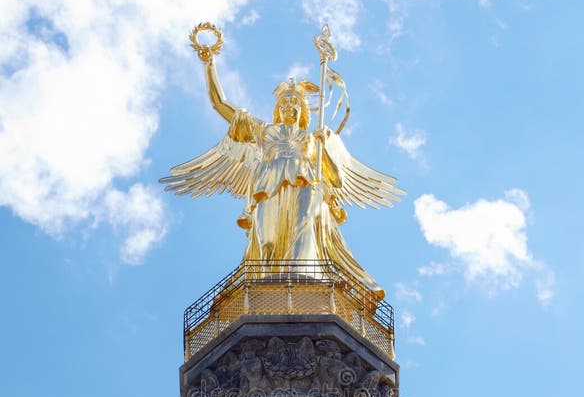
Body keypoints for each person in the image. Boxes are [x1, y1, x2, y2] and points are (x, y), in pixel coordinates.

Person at [162, 44, 403, 297]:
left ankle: (301, 282)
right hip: (268, 184)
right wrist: (209, 63)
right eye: (284, 103)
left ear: (302, 111)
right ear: (278, 110)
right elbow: (220, 105)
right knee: (267, 240)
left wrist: (323, 145)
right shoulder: (264, 131)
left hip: (306, 182)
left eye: (295, 103)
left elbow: (337, 179)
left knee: (304, 226)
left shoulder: (313, 140)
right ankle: (266, 292)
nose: (289, 107)